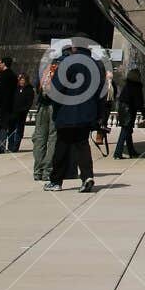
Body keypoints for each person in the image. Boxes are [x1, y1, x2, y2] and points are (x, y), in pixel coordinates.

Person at [44, 46, 101, 193]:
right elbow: (101, 94)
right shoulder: (97, 66)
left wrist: (55, 107)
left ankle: (56, 181)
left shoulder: (68, 62)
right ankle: (87, 176)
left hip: (67, 112)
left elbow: (57, 88)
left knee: (62, 147)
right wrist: (97, 116)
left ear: (74, 48)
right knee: (82, 146)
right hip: (87, 114)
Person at [31, 63, 55, 184]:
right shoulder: (61, 68)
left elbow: (36, 85)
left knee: (39, 139)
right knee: (52, 139)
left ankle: (38, 170)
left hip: (42, 105)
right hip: (55, 107)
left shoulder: (42, 69)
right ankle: (47, 171)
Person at [114, 68, 145, 160]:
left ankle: (131, 151)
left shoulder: (127, 85)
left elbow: (122, 99)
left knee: (127, 131)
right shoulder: (137, 86)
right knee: (125, 131)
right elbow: (139, 101)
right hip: (129, 110)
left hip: (123, 109)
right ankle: (117, 153)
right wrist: (143, 111)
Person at [0, 56, 16, 151]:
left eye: (1, 63)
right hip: (9, 105)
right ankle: (1, 147)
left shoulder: (1, 76)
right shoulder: (14, 76)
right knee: (4, 127)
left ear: (4, 64)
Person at [8, 73, 34, 153]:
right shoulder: (15, 88)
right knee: (11, 131)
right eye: (20, 80)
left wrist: (23, 110)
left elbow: (29, 103)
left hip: (21, 114)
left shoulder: (29, 90)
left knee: (19, 131)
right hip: (13, 113)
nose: (21, 81)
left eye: (23, 80)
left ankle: (15, 147)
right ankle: (10, 146)